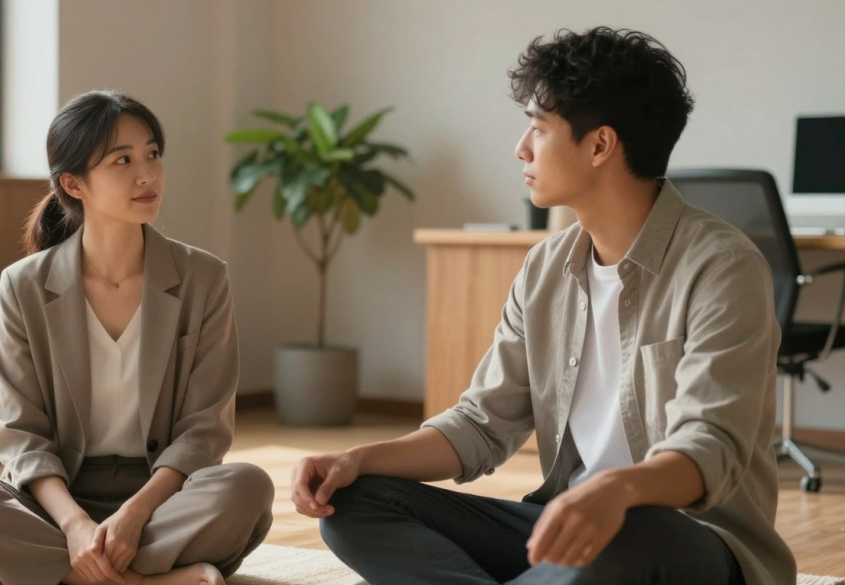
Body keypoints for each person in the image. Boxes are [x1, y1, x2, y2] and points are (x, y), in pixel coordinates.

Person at [290, 27, 796, 585]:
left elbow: (710, 448)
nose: (521, 148)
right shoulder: (545, 268)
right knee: (353, 501)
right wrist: (359, 458)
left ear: (600, 145)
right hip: (566, 525)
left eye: (538, 128)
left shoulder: (722, 266)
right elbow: (481, 425)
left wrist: (618, 490)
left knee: (632, 531)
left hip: (684, 537)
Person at [0, 90, 273, 585]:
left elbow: (204, 430)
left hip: (164, 498)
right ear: (74, 184)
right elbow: (20, 433)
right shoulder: (24, 284)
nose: (147, 175)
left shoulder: (204, 277)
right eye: (123, 160)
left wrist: (136, 514)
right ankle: (144, 580)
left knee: (247, 487)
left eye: (153, 154)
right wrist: (75, 524)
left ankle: (43, 574)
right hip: (54, 500)